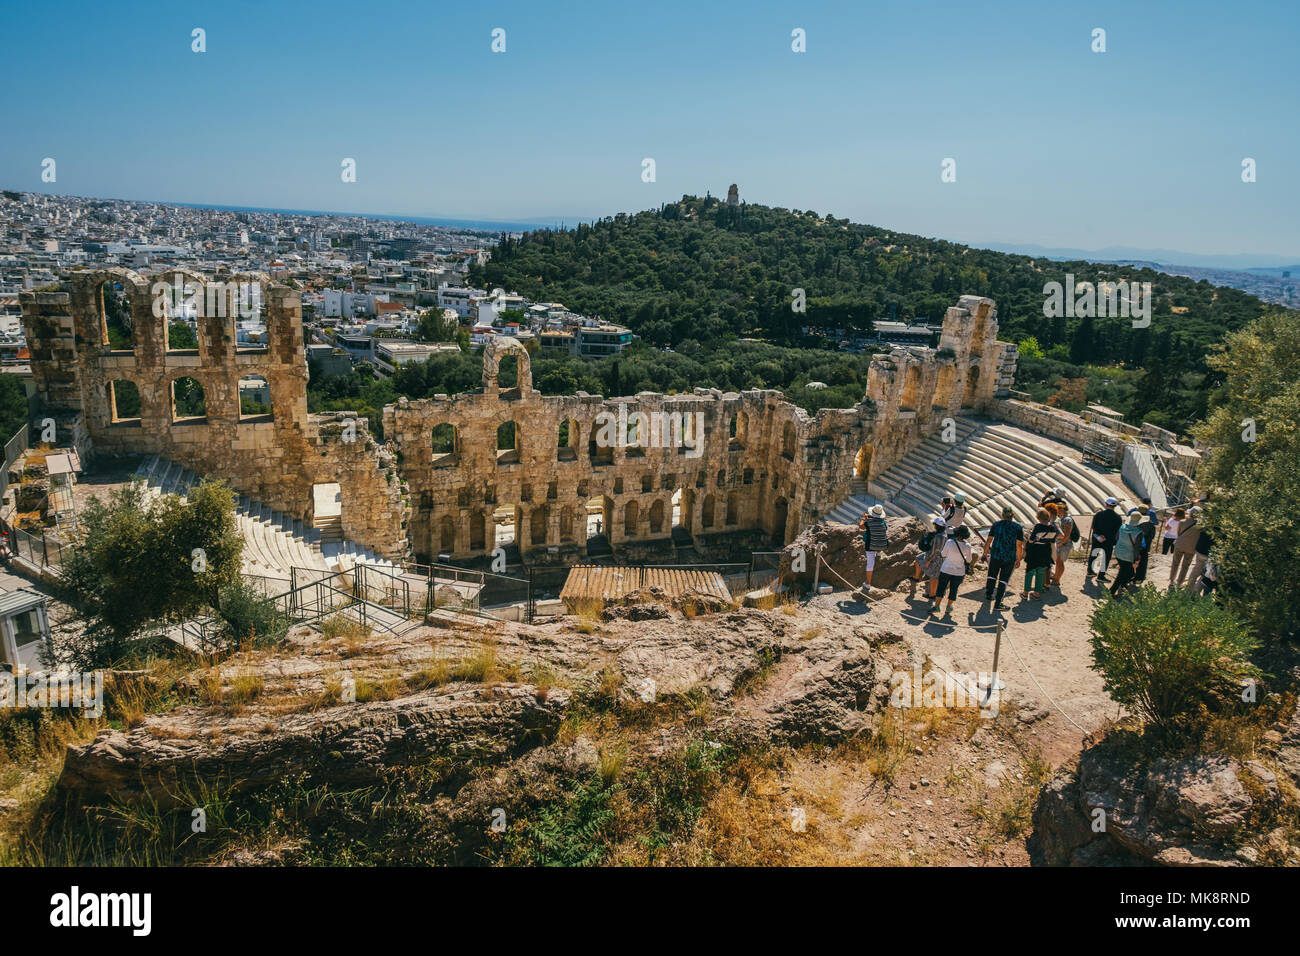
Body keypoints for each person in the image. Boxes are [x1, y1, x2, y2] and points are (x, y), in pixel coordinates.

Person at [983, 505, 1023, 610]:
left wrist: (984, 553)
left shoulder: (996, 525)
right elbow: (1019, 545)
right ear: (1013, 515)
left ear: (1002, 515)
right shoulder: (1017, 527)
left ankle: (989, 594)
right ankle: (998, 603)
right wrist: (1019, 558)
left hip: (996, 554)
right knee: (1003, 580)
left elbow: (989, 540)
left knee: (992, 575)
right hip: (1009, 557)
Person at [932, 525, 972, 618]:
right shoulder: (967, 546)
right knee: (954, 589)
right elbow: (969, 560)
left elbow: (943, 554)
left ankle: (937, 606)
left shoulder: (950, 542)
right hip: (959, 572)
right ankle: (949, 607)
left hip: (946, 569)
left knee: (941, 588)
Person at [1022, 508, 1060, 599]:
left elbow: (1031, 540)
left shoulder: (1038, 526)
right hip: (1045, 552)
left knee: (1030, 572)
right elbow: (1053, 540)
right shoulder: (1053, 528)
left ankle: (1025, 593)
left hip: (1035, 552)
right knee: (1040, 572)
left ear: (1039, 517)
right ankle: (1036, 593)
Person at [1109, 511, 1146, 596]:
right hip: (1128, 555)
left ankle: (1123, 585)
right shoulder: (1139, 533)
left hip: (1118, 552)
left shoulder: (1122, 527)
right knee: (1123, 574)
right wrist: (1136, 560)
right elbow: (1137, 548)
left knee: (1128, 572)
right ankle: (1111, 592)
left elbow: (1117, 538)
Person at [1086, 497, 1123, 583]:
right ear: (1115, 506)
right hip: (1109, 540)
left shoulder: (1098, 514)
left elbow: (1094, 526)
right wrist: (1108, 537)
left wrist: (1099, 535)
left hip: (1097, 538)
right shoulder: (1118, 517)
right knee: (1105, 558)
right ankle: (1101, 576)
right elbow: (1117, 530)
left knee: (1094, 554)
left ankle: (1090, 571)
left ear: (1106, 504)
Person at [911, 515, 947, 601]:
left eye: (934, 524)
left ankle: (932, 594)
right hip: (937, 556)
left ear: (936, 525)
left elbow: (935, 551)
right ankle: (916, 577)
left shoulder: (938, 537)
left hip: (935, 559)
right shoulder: (944, 535)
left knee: (934, 577)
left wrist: (928, 561)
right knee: (917, 559)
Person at [1169, 506, 1203, 588]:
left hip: (1180, 544)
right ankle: (1179, 583)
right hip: (1191, 548)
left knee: (1175, 563)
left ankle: (1172, 580)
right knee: (1185, 566)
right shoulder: (1201, 525)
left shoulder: (1183, 521)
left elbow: (1179, 532)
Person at [858, 503, 889, 591]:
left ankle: (868, 583)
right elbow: (885, 529)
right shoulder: (883, 522)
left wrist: (864, 518)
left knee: (870, 563)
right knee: (874, 535)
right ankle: (878, 552)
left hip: (871, 546)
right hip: (883, 545)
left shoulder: (868, 522)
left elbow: (861, 526)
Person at [1050, 501, 1079, 587]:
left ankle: (1057, 579)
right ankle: (1056, 576)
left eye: (1057, 510)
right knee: (1058, 561)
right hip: (1062, 543)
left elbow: (1066, 535)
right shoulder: (1064, 518)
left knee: (1060, 562)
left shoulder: (1067, 519)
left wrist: (1060, 544)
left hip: (1064, 544)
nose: (1057, 512)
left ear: (1062, 509)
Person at [1185, 527, 1213, 593]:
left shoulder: (1206, 525)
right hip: (1209, 554)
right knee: (1205, 574)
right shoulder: (1220, 528)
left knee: (1195, 571)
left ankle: (1189, 590)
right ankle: (1195, 592)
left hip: (1200, 550)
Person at [1134, 509, 1157, 583]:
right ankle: (1140, 578)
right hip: (1145, 546)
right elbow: (1152, 536)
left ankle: (1130, 576)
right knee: (1143, 562)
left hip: (1134, 546)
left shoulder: (1135, 522)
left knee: (1132, 561)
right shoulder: (1150, 524)